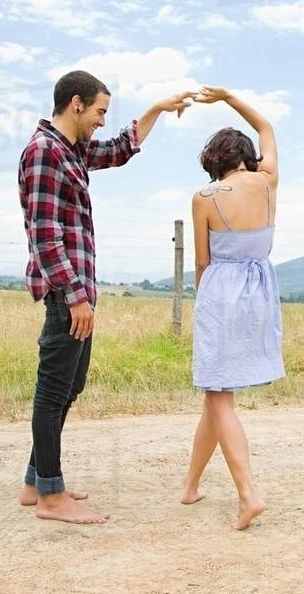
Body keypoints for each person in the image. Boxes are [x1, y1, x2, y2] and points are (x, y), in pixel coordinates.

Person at [17, 69, 193, 524]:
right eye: (98, 111)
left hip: (78, 292)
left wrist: (156, 109)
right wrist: (76, 297)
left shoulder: (70, 151)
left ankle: (38, 481)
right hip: (67, 293)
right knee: (53, 391)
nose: (101, 121)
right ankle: (51, 498)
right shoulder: (43, 152)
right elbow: (45, 235)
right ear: (75, 103)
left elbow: (119, 149)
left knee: (68, 386)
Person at [180, 85, 285, 531]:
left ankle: (248, 494)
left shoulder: (205, 198)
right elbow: (266, 125)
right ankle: (190, 485)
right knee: (217, 394)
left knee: (219, 394)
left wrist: (204, 303)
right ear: (247, 156)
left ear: (215, 161)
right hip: (260, 290)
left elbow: (202, 263)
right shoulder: (267, 181)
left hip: (221, 291)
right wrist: (227, 98)